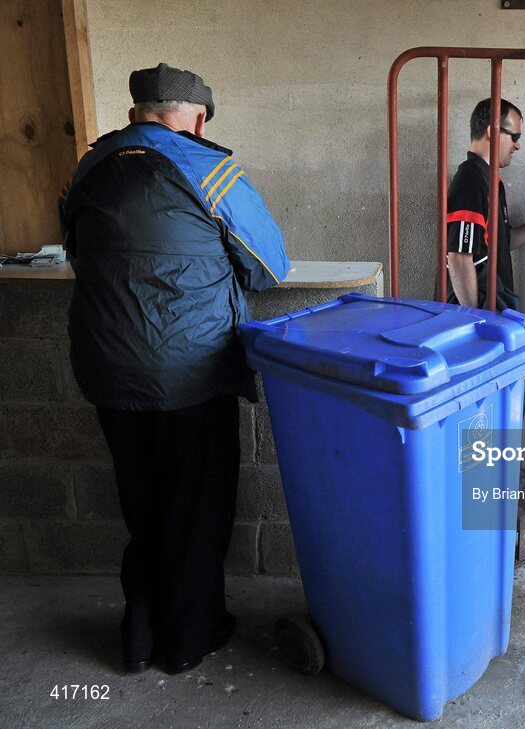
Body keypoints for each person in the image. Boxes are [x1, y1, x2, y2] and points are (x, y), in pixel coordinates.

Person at [59, 63, 290, 675]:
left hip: (106, 369)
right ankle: (190, 638)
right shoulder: (208, 168)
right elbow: (271, 265)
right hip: (188, 370)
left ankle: (138, 638)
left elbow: (77, 252)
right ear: (198, 117)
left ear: (136, 111)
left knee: (142, 506)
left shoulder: (90, 166)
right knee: (194, 508)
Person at [446, 98, 525, 311]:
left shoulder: (490, 180)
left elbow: (503, 242)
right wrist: (477, 319)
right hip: (470, 320)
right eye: (515, 136)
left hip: (488, 309)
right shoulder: (471, 181)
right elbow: (459, 257)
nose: (517, 145)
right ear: (492, 132)